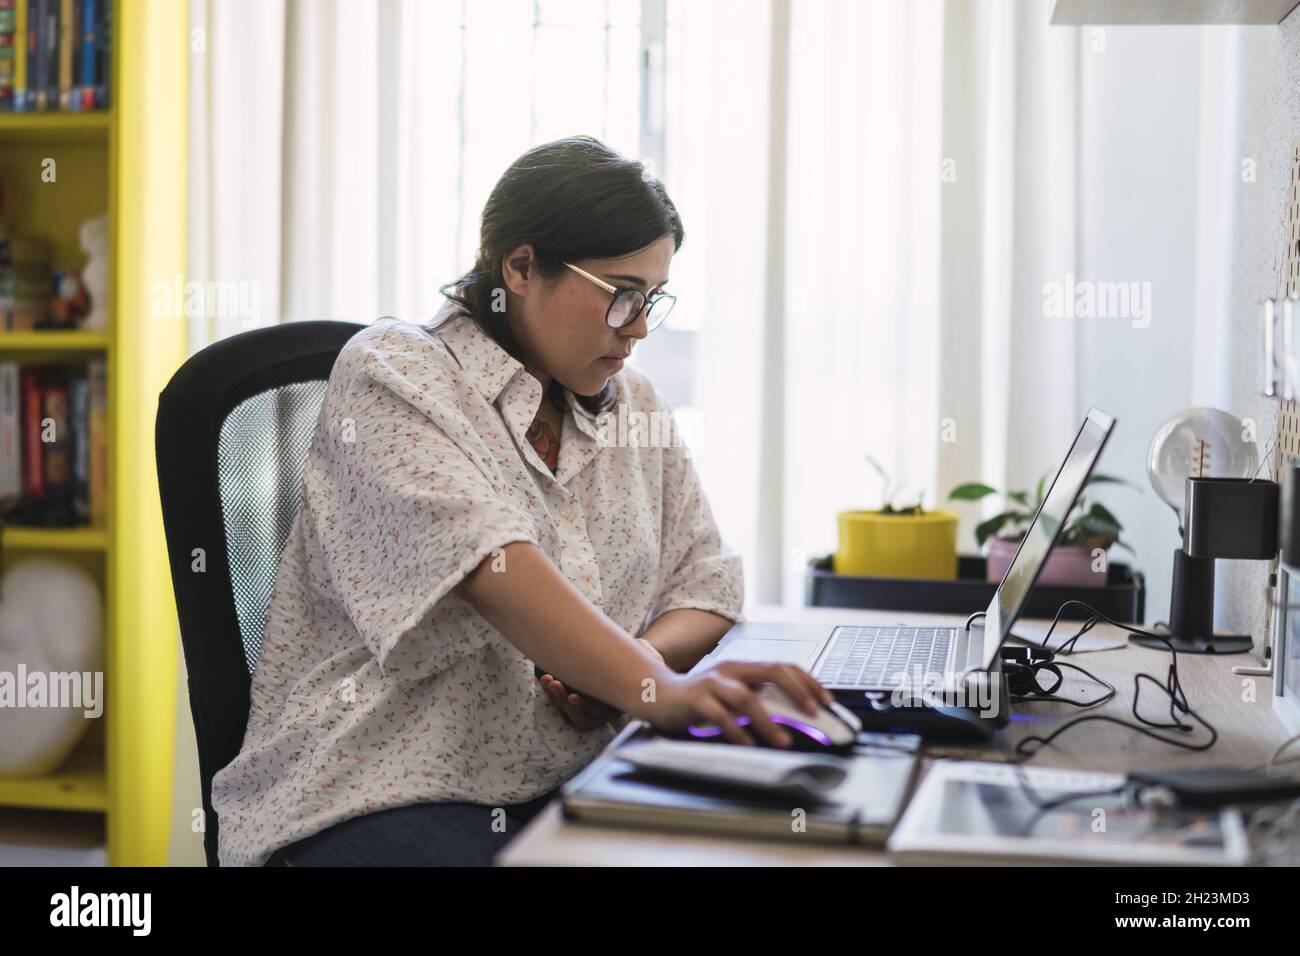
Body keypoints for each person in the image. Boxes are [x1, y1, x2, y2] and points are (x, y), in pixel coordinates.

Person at [210, 135, 832, 867]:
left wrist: (626, 672)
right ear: (522, 267)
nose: (636, 327)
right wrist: (656, 687)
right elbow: (490, 565)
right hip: (384, 786)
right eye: (620, 294)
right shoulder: (395, 374)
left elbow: (706, 582)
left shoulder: (630, 401)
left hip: (578, 770)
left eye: (652, 299)